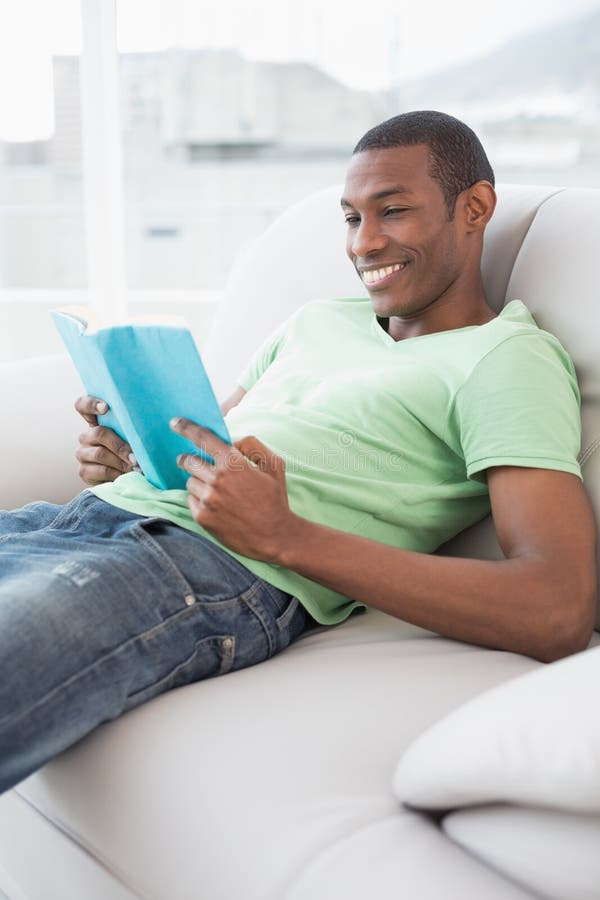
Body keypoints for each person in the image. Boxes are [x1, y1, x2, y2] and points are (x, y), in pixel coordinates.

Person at [0, 110, 596, 795]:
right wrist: (132, 455)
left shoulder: (506, 358)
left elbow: (558, 607)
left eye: (393, 211)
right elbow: (218, 445)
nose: (365, 244)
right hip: (72, 522)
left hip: (208, 568)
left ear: (476, 208)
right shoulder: (317, 320)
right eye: (350, 218)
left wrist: (286, 537)